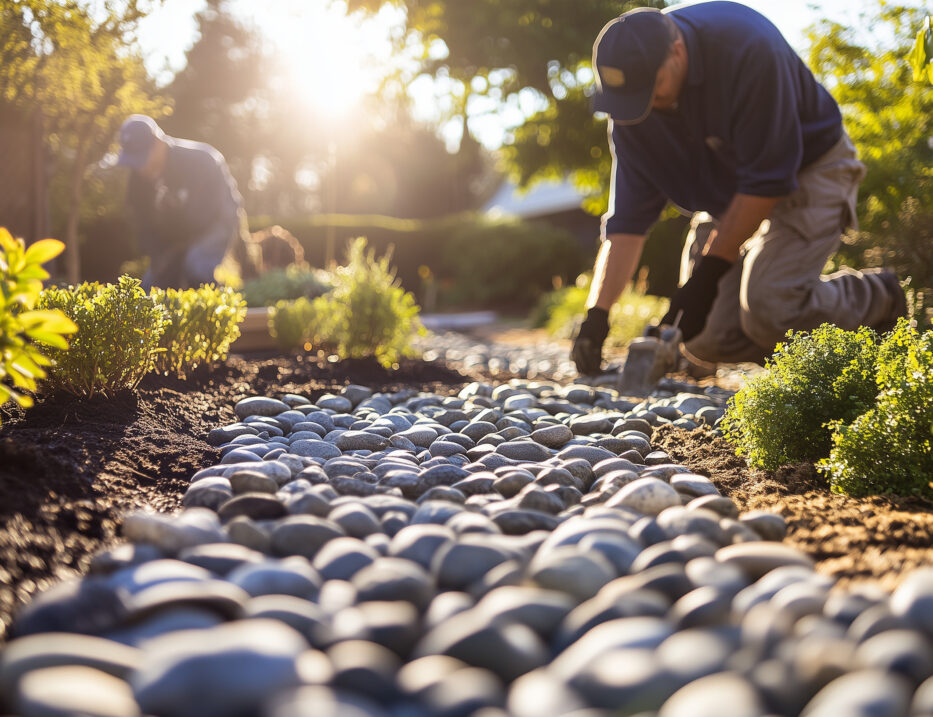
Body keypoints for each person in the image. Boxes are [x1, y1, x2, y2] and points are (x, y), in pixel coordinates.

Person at [571, 1, 907, 376]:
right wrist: (596, 318)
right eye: (630, 96)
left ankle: (881, 297)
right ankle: (814, 364)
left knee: (770, 306)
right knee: (701, 338)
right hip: (731, 193)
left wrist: (708, 275)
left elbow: (767, 180)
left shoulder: (746, 48)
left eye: (651, 87)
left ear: (677, 52)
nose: (643, 105)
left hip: (811, 166)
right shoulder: (632, 110)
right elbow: (627, 226)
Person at [116, 114, 243, 290]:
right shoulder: (137, 178)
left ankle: (220, 310)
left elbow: (206, 215)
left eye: (142, 157)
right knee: (150, 285)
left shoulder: (201, 161)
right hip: (177, 234)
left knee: (196, 266)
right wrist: (159, 258)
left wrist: (178, 248)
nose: (139, 167)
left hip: (218, 221)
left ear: (159, 143)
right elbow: (142, 223)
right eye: (134, 160)